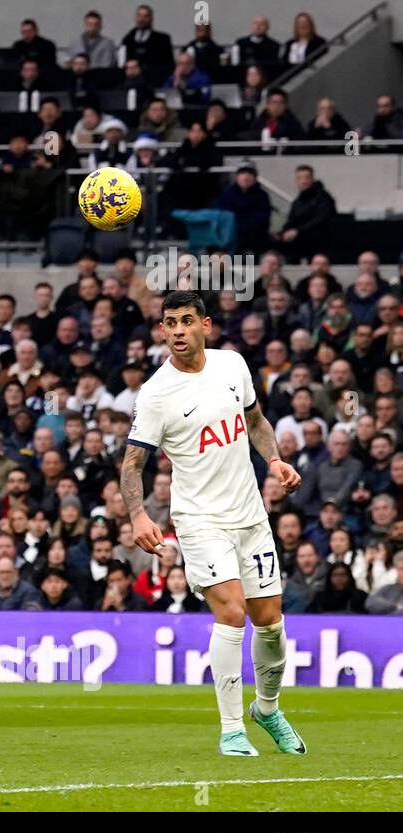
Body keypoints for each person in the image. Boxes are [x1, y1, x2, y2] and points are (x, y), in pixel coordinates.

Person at [124, 292, 306, 757]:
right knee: (231, 614)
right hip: (201, 521)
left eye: (187, 320)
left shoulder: (232, 366)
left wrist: (276, 461)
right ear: (162, 331)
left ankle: (267, 710)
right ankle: (231, 730)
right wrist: (139, 513)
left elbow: (257, 421)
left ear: (206, 325)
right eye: (170, 323)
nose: (179, 330)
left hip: (250, 516)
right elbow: (133, 463)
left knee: (270, 624)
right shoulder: (157, 393)